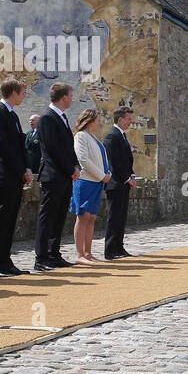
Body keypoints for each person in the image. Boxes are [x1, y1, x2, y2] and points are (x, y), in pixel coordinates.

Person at [0, 77, 33, 277]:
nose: (24, 96)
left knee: (10, 220)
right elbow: (2, 146)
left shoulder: (12, 115)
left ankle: (5, 261)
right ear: (13, 92)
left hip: (15, 175)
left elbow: (19, 145)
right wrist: (21, 169)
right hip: (5, 175)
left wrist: (26, 168)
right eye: (22, 92)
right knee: (2, 220)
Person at [34, 82, 79, 270]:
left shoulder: (62, 117)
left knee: (59, 216)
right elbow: (53, 149)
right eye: (70, 95)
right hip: (53, 175)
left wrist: (75, 165)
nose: (71, 99)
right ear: (63, 97)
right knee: (48, 217)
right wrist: (70, 169)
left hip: (64, 175)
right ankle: (41, 257)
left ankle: (54, 253)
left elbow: (68, 147)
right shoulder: (47, 118)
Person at [70, 108, 107, 265]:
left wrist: (107, 172)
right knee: (83, 216)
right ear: (90, 120)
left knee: (91, 218)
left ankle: (88, 252)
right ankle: (79, 254)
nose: (99, 123)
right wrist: (101, 175)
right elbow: (83, 160)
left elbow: (101, 158)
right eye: (98, 120)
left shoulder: (93, 137)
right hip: (85, 181)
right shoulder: (81, 136)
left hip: (96, 182)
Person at [102, 106, 136, 259]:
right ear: (120, 119)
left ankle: (119, 247)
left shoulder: (122, 135)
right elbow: (114, 162)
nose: (131, 122)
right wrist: (126, 178)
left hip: (123, 183)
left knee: (121, 217)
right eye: (129, 119)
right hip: (115, 183)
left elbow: (127, 161)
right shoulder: (112, 136)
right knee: (114, 217)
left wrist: (132, 174)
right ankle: (110, 250)